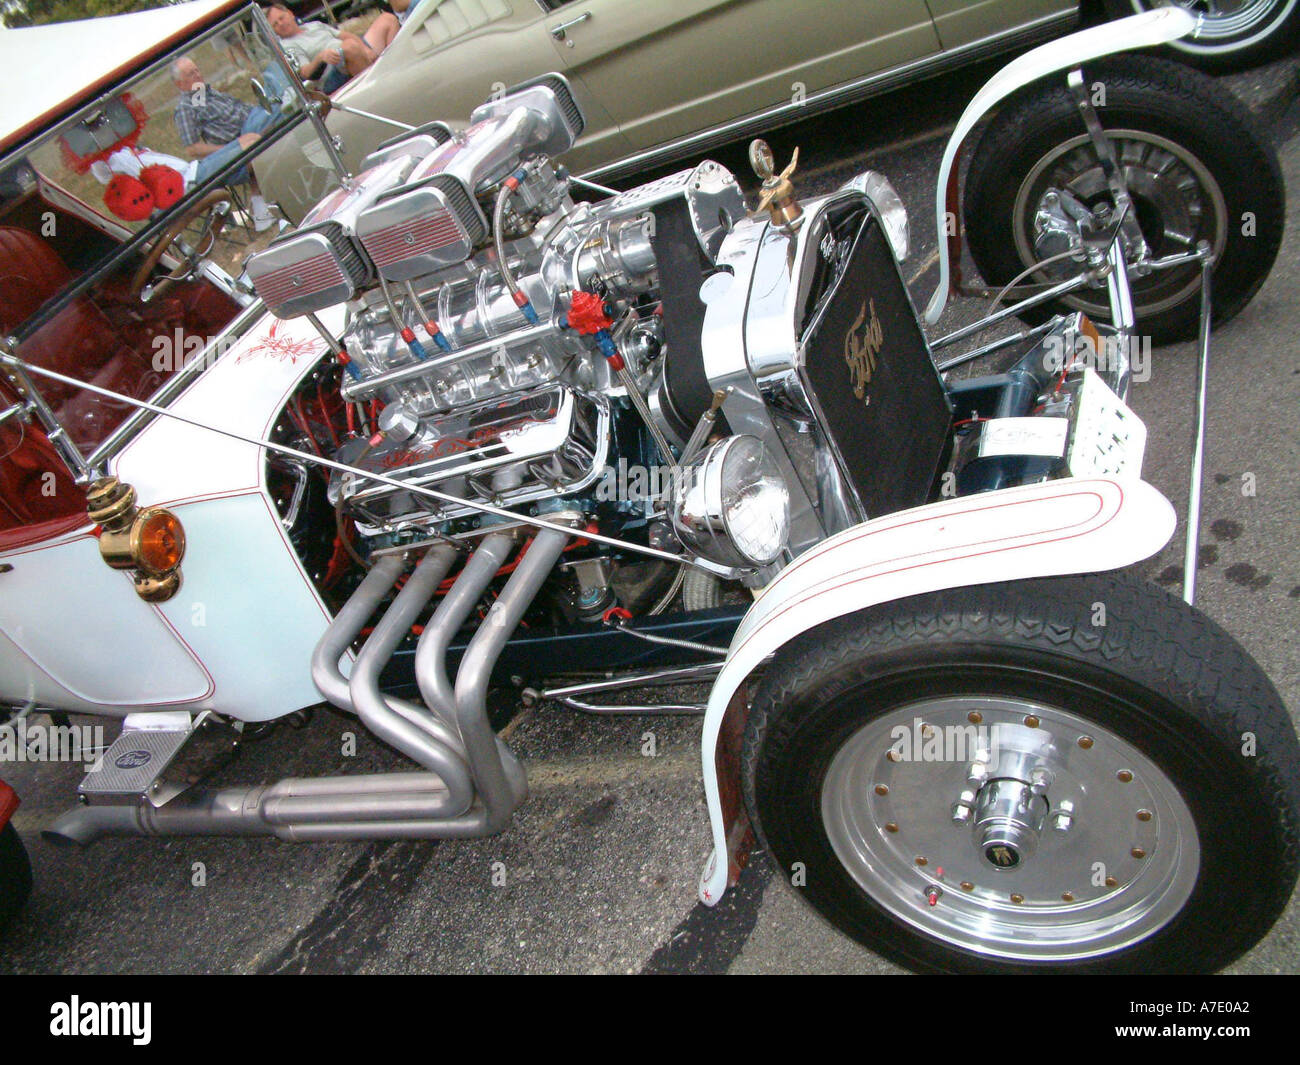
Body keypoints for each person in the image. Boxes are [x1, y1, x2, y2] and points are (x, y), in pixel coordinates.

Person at [171, 57, 276, 230]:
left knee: (275, 97)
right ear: (180, 84)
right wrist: (231, 149)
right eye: (191, 74)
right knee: (280, 110)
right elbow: (192, 148)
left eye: (197, 70)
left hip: (253, 124)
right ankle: (261, 211)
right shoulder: (185, 108)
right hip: (242, 145)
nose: (198, 75)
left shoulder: (206, 93)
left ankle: (261, 208)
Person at [264, 3, 399, 94]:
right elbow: (305, 72)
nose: (281, 24)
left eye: (281, 18)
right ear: (274, 31)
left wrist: (365, 49)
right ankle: (377, 89)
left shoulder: (314, 25)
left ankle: (395, 68)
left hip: (353, 50)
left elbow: (346, 35)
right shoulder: (288, 46)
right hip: (331, 72)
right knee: (349, 47)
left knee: (387, 19)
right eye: (275, 24)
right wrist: (320, 57)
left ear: (290, 13)